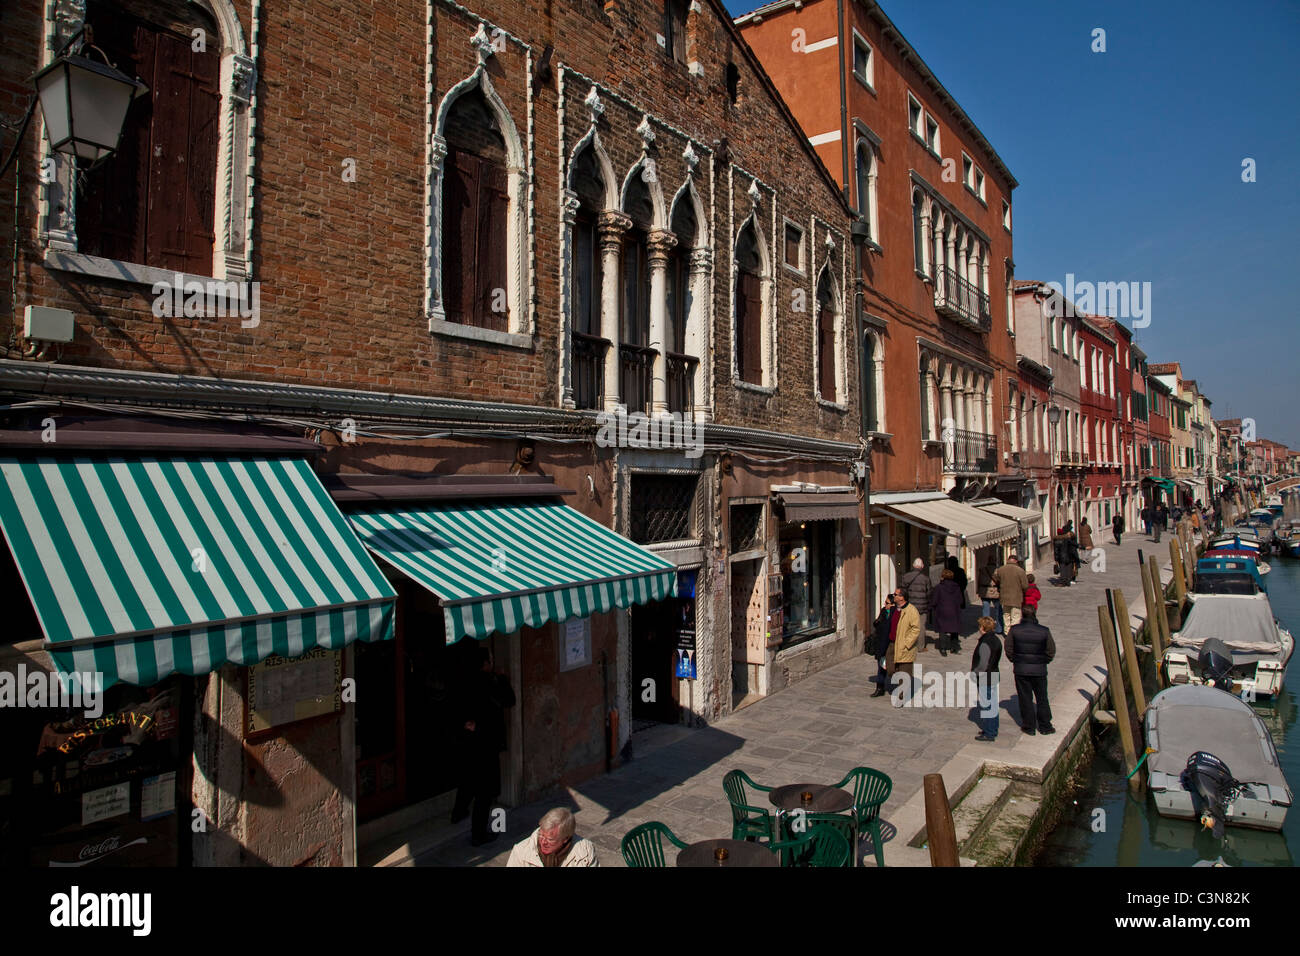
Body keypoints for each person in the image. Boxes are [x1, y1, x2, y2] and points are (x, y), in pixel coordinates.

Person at [451, 646, 516, 846]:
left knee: (469, 780)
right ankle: (478, 834)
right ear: (485, 663)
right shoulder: (490, 682)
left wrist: (466, 724)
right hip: (486, 743)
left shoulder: (463, 680)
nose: (493, 661)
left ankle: (458, 812)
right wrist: (503, 678)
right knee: (484, 792)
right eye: (491, 659)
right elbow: (509, 700)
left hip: (470, 742)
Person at [1004, 605, 1056, 735]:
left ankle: (1029, 726)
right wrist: (1043, 662)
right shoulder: (1044, 631)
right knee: (1042, 698)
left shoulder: (1015, 630)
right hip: (1039, 670)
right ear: (1035, 614)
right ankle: (1045, 726)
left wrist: (1016, 661)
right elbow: (1051, 651)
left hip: (1021, 670)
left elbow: (1008, 649)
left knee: (1025, 698)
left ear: (1022, 615)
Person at [506, 807, 599, 867]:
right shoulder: (520, 851)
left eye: (550, 839)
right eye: (541, 835)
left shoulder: (585, 851)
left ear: (565, 839)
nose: (543, 842)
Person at [971, 615, 1002, 742]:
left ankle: (989, 732)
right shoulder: (996, 640)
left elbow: (983, 664)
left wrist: (974, 673)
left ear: (983, 628)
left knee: (987, 705)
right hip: (994, 674)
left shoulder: (985, 642)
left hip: (985, 677)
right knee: (992, 703)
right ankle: (992, 728)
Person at [888, 587, 920, 703]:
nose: (893, 596)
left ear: (902, 597)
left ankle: (901, 694)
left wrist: (907, 643)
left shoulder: (911, 611)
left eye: (895, 594)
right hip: (892, 644)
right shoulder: (894, 609)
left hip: (905, 646)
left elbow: (915, 629)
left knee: (905, 671)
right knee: (890, 669)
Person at [899, 558, 934, 653]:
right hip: (922, 606)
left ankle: (907, 644)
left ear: (913, 566)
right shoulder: (925, 579)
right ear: (922, 566)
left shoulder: (905, 577)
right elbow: (929, 592)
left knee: (908, 625)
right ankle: (920, 646)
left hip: (909, 605)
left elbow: (901, 591)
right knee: (921, 626)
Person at [992, 553, 1028, 635]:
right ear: (1016, 561)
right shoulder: (1020, 571)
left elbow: (995, 578)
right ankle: (1014, 634)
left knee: (1006, 616)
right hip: (1016, 597)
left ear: (1008, 560)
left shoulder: (1001, 569)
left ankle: (1007, 633)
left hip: (1004, 597)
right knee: (1015, 616)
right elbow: (1025, 585)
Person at [932, 568, 965, 657]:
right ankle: (953, 648)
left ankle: (943, 649)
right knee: (954, 630)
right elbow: (960, 600)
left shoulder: (939, 587)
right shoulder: (956, 587)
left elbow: (934, 600)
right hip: (954, 611)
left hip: (942, 611)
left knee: (942, 630)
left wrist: (933, 607)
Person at [869, 598, 894, 698]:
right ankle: (879, 688)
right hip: (881, 642)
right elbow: (878, 623)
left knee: (893, 667)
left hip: (891, 643)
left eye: (887, 603)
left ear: (892, 604)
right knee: (881, 666)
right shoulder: (884, 611)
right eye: (885, 602)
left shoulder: (896, 613)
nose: (885, 605)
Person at [977, 553, 1003, 635]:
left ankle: (985, 628)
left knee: (986, 611)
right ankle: (999, 628)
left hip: (985, 591)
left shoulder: (982, 569)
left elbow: (979, 581)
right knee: (998, 610)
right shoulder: (997, 570)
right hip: (995, 591)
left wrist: (979, 590)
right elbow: (999, 581)